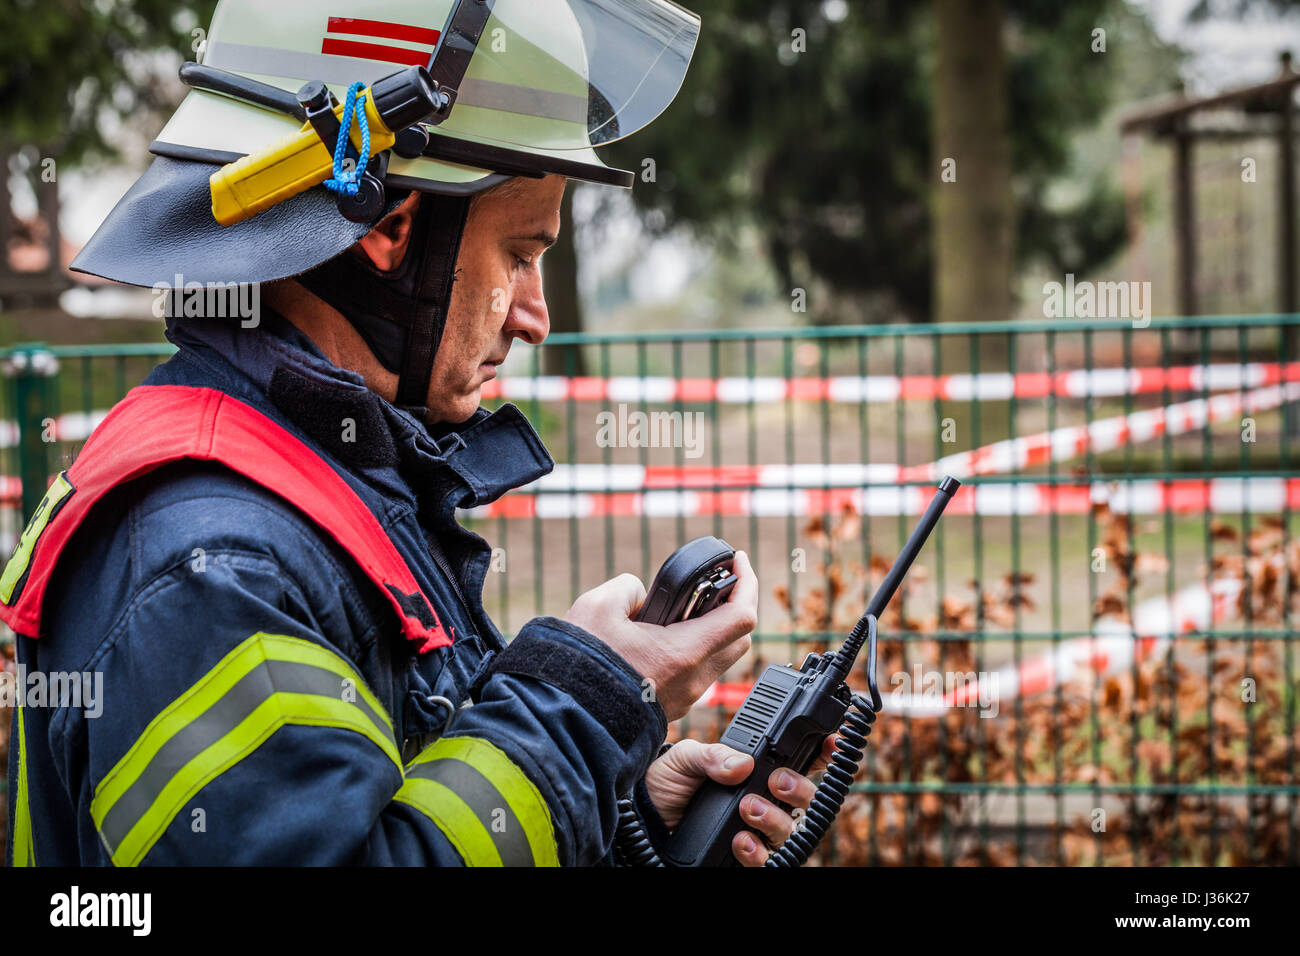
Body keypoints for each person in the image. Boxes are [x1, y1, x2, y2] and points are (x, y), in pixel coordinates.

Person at [4, 0, 831, 867]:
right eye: (519, 256)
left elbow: (417, 803)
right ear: (392, 230)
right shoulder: (208, 564)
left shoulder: (328, 482)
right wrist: (583, 705)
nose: (536, 317)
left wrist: (632, 827)